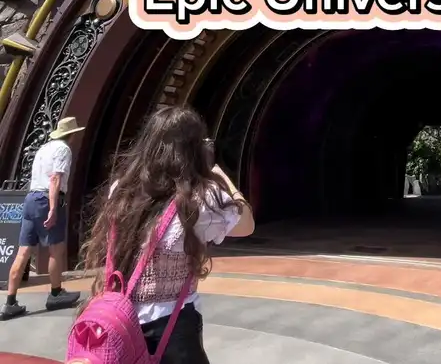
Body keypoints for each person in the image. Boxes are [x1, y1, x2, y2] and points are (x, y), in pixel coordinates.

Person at [80, 105, 255, 364]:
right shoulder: (201, 197)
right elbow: (246, 224)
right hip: (172, 326)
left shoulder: (121, 189)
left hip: (119, 319)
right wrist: (222, 178)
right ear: (194, 149)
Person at [1, 116, 85, 320]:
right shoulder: (63, 149)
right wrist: (53, 208)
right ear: (71, 134)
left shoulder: (43, 148)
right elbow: (55, 178)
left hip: (31, 198)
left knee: (23, 252)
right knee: (56, 249)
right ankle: (55, 293)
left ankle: (10, 302)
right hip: (46, 199)